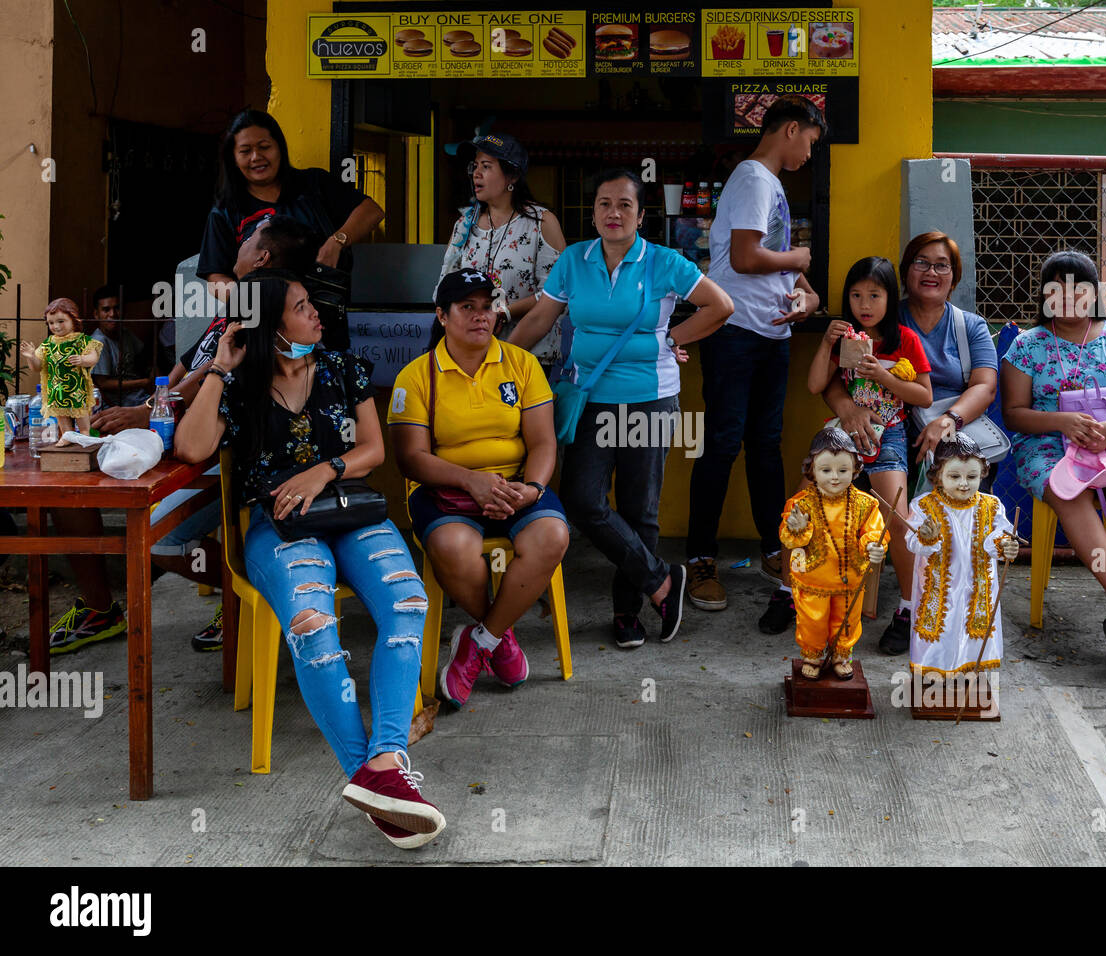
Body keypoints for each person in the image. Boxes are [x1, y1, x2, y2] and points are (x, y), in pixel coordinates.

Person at [175, 273, 444, 850]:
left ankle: (384, 763)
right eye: (302, 308)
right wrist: (220, 368)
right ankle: (375, 781)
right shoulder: (242, 387)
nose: (316, 314)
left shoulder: (344, 368)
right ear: (273, 325)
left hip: (351, 512)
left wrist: (325, 469)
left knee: (407, 601)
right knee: (313, 629)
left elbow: (373, 450)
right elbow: (192, 448)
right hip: (279, 528)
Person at [48, 217, 317, 656]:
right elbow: (187, 366)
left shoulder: (265, 315)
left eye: (248, 240)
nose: (239, 244)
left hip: (214, 450)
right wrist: (150, 405)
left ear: (262, 257)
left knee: (159, 539)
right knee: (69, 471)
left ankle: (243, 601)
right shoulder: (233, 307)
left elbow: (214, 379)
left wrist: (148, 410)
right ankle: (100, 608)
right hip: (170, 430)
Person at [510, 169, 734, 649]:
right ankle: (660, 581)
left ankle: (627, 612)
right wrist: (500, 359)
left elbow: (720, 306)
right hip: (589, 398)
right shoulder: (574, 260)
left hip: (648, 400)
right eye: (604, 204)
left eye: (624, 205)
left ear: (640, 215)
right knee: (584, 501)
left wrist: (675, 336)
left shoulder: (665, 263)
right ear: (593, 213)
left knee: (639, 510)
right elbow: (541, 317)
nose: (613, 213)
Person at [389, 269, 567, 708]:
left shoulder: (520, 364)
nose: (480, 316)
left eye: (487, 307)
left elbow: (544, 442)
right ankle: (500, 638)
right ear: (442, 315)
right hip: (446, 491)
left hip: (514, 486)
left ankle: (480, 640)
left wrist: (530, 488)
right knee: (453, 547)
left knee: (552, 536)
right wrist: (471, 480)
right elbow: (411, 458)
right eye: (467, 307)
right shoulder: (416, 376)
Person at [683, 94, 825, 634]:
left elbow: (777, 266)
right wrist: (799, 260)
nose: (810, 154)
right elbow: (746, 258)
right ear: (791, 129)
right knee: (722, 443)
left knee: (765, 444)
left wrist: (805, 292)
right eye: (810, 142)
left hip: (770, 333)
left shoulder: (771, 185)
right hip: (736, 333)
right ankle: (699, 560)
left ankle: (774, 547)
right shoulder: (752, 177)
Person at [825, 231, 1000, 649]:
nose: (932, 272)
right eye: (922, 263)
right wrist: (849, 410)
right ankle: (813, 594)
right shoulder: (881, 316)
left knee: (954, 478)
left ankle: (949, 593)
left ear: (954, 277)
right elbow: (834, 382)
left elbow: (985, 385)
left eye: (942, 265)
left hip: (945, 425)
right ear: (905, 273)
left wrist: (949, 420)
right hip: (889, 426)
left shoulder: (968, 326)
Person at [1001, 250, 1106, 658]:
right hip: (1048, 445)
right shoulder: (1027, 346)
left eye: (1080, 287)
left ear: (1095, 293)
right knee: (1070, 492)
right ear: (1044, 295)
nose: (1069, 296)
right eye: (1056, 288)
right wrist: (1062, 422)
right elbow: (1014, 415)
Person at [807, 257, 933, 655]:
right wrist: (827, 342)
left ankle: (910, 609)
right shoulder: (846, 338)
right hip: (844, 431)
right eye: (857, 295)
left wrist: (885, 376)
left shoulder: (904, 341)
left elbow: (924, 396)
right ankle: (794, 591)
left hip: (890, 433)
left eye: (875, 295)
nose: (865, 303)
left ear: (890, 297)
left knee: (897, 513)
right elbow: (815, 386)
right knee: (807, 495)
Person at [197, 108, 384, 351]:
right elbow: (215, 280)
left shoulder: (313, 185)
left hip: (323, 325)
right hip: (261, 335)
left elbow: (372, 211)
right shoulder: (225, 211)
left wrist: (337, 241)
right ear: (233, 157)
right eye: (245, 151)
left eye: (264, 146)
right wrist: (261, 302)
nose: (256, 157)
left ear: (279, 147)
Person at [440, 133, 567, 377]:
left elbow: (557, 294)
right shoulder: (465, 224)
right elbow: (445, 287)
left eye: (486, 167)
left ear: (513, 176)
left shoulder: (541, 222)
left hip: (529, 356)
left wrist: (507, 311)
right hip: (471, 355)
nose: (476, 173)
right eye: (474, 166)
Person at [905, 434, 1018, 681]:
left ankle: (969, 668)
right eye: (955, 476)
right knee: (942, 627)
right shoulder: (924, 505)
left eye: (972, 476)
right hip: (939, 585)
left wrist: (1005, 545)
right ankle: (935, 669)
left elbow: (1000, 534)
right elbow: (912, 541)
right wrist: (925, 536)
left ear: (983, 474)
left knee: (973, 626)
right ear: (938, 476)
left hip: (977, 581)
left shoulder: (991, 505)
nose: (964, 484)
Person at [780, 426, 887, 680]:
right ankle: (813, 655)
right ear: (812, 470)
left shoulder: (866, 504)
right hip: (814, 578)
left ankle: (841, 654)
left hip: (850, 578)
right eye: (826, 470)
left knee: (847, 621)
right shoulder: (801, 503)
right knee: (813, 621)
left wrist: (873, 545)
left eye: (842, 470)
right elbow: (789, 536)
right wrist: (797, 528)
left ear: (855, 470)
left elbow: (875, 530)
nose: (835, 477)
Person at [21, 298, 101, 438]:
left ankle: (84, 433)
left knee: (80, 410)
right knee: (60, 414)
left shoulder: (81, 340)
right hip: (56, 389)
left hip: (76, 387)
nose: (56, 327)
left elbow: (93, 357)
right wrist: (31, 356)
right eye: (51, 323)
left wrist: (83, 359)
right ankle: (67, 435)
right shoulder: (48, 344)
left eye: (61, 321)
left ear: (73, 319)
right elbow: (37, 367)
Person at [90, 286, 153, 408]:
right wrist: (143, 382)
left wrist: (152, 371)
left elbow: (145, 355)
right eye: (106, 310)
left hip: (139, 396)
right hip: (120, 403)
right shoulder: (98, 342)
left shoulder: (125, 334)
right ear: (96, 314)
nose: (112, 314)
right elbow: (102, 384)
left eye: (117, 308)